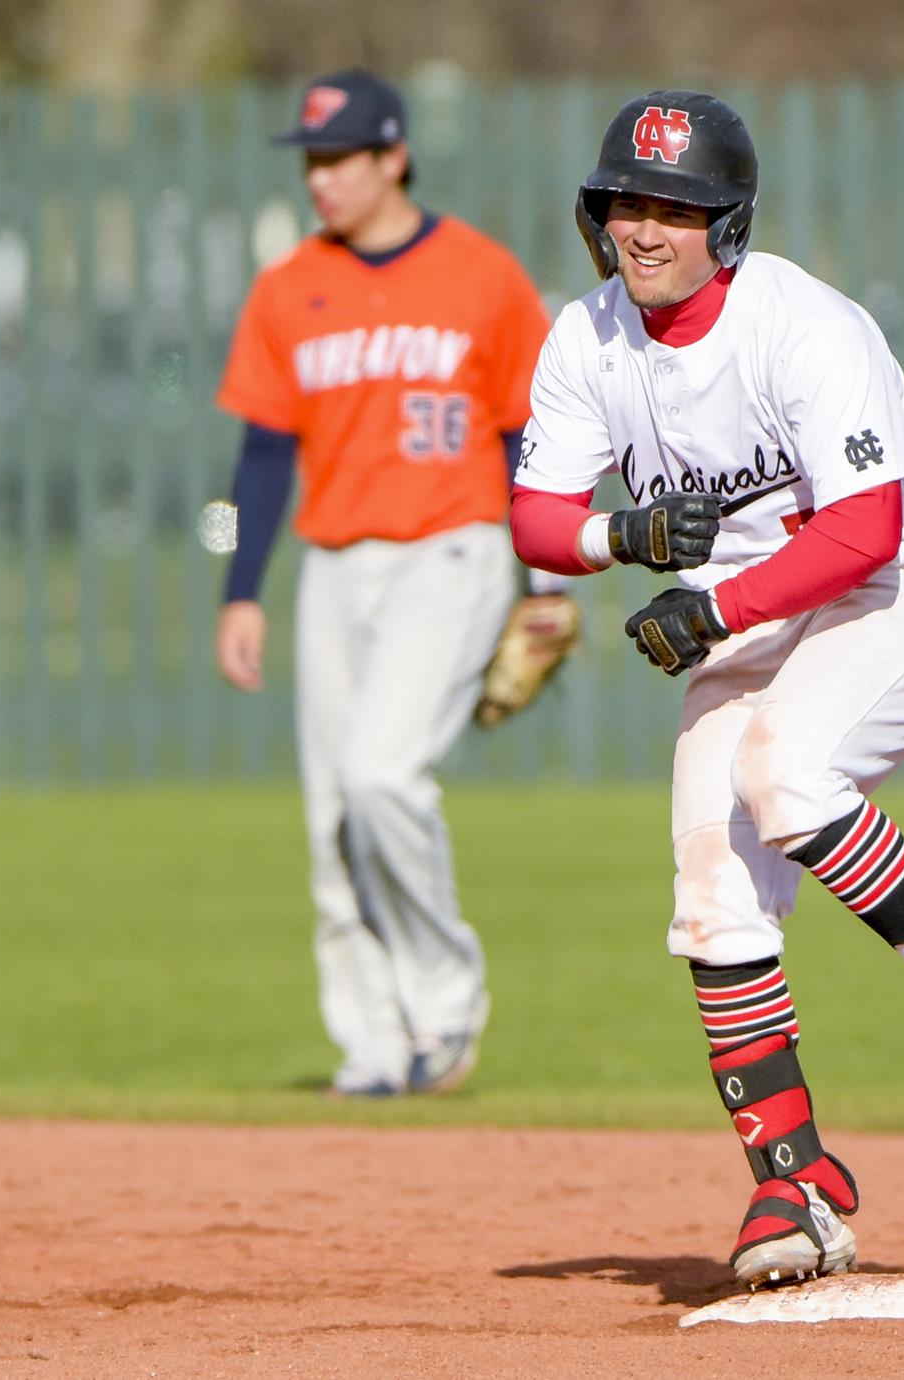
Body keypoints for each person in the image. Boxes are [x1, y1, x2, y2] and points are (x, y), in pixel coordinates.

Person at [509, 90, 904, 1288]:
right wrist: (627, 536)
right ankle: (796, 1190)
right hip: (755, 612)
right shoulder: (585, 338)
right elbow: (536, 519)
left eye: (675, 205)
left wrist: (707, 606)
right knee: (712, 897)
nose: (643, 227)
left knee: (785, 772)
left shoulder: (801, 325)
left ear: (728, 224)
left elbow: (863, 529)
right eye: (625, 201)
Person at [214, 69, 555, 1098]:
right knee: (331, 814)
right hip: (333, 566)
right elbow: (261, 457)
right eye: (311, 161)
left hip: (450, 551)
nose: (321, 180)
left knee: (380, 776)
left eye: (338, 159)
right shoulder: (286, 290)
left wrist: (544, 577)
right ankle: (371, 1044)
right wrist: (240, 589)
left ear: (392, 156)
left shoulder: (480, 275)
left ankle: (444, 1011)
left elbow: (525, 436)